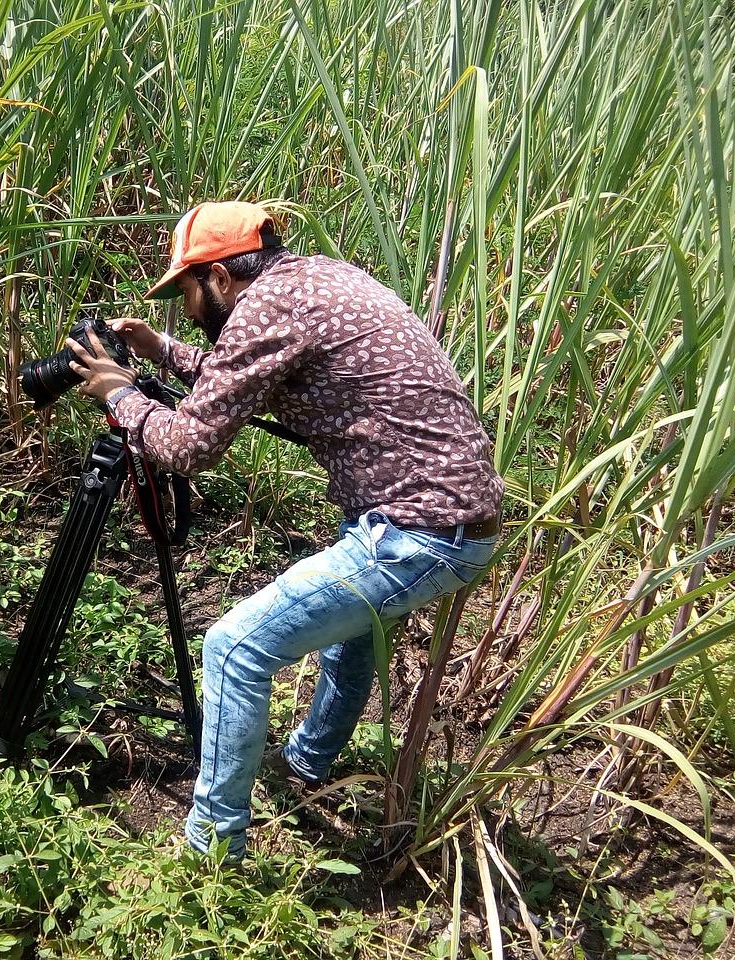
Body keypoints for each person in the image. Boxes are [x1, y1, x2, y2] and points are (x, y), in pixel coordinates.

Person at [67, 200, 503, 860]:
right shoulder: (315, 281)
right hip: (455, 524)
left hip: (415, 534)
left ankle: (211, 852)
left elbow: (189, 446)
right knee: (349, 647)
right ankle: (304, 766)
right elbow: (245, 375)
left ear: (218, 276)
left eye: (185, 291)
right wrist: (161, 353)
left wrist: (120, 397)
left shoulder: (271, 307)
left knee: (235, 648)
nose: (186, 310)